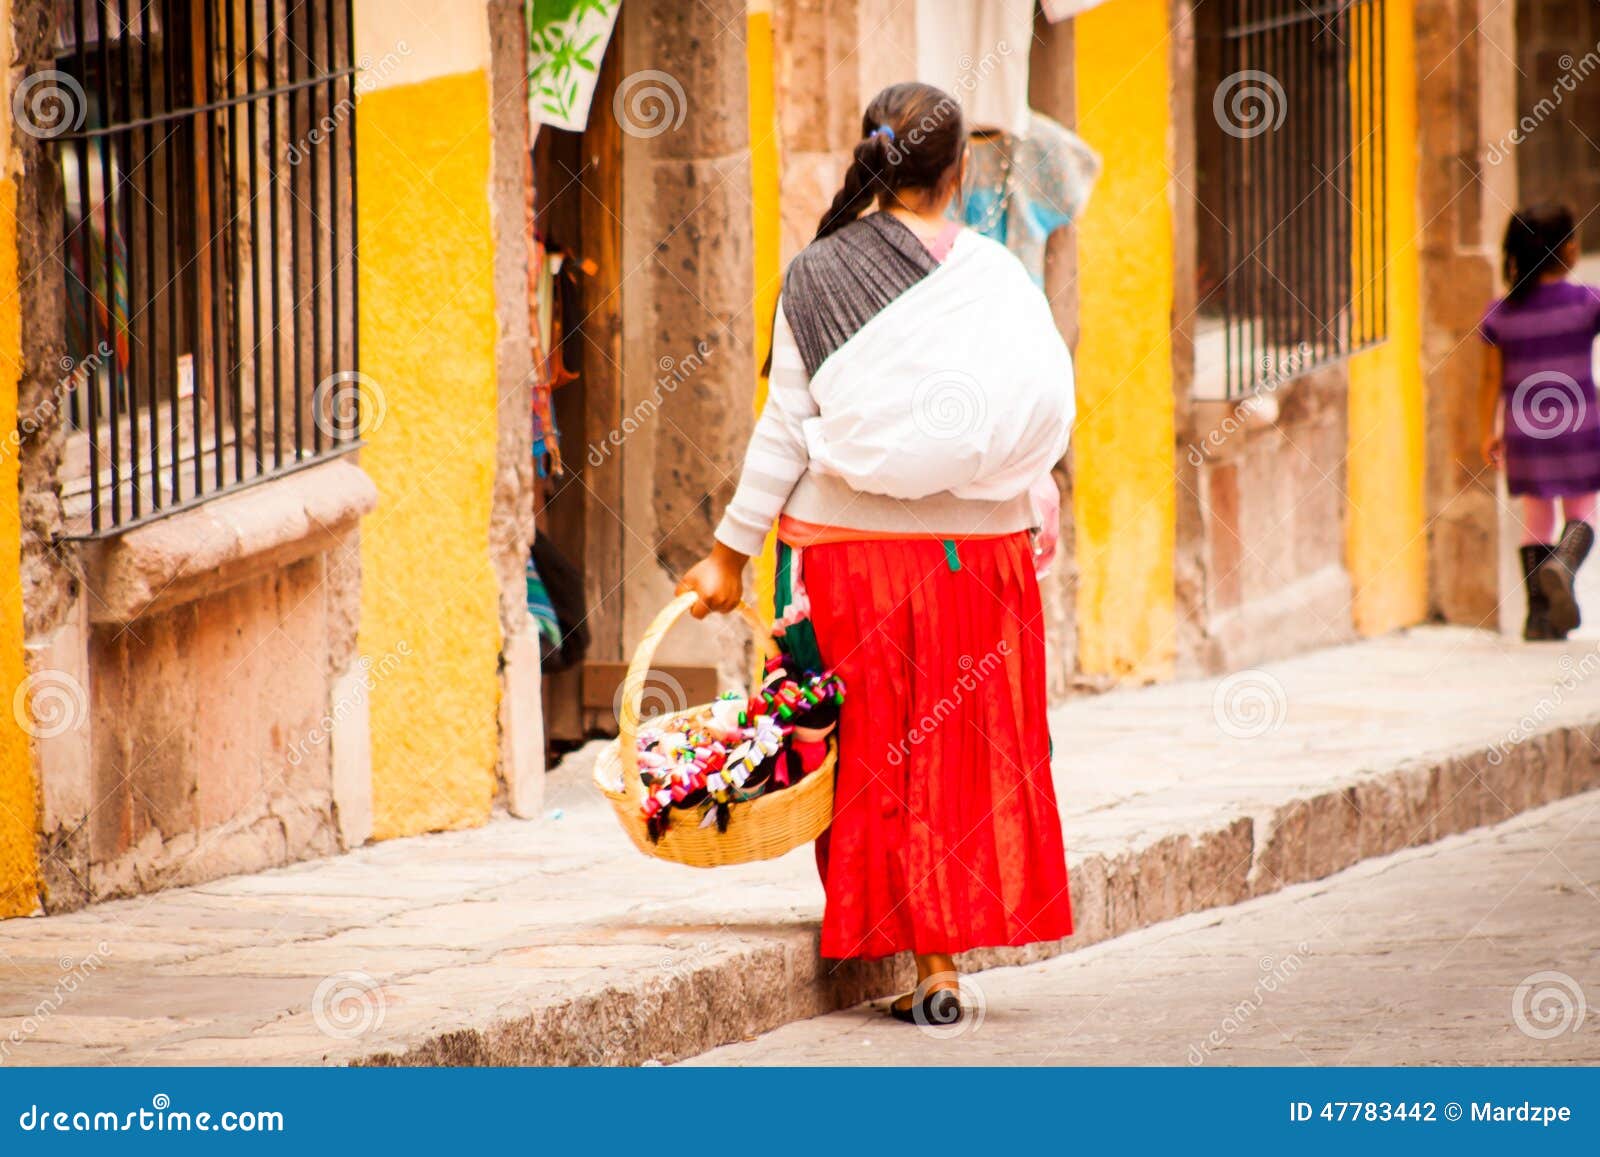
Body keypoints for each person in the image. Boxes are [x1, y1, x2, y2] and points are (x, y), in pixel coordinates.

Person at [678, 82, 1076, 1026]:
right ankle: (940, 958)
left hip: (852, 560)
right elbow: (1040, 409)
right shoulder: (997, 277)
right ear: (961, 170)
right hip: (976, 561)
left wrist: (729, 555)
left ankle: (902, 935)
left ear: (870, 155)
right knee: (957, 749)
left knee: (871, 750)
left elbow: (785, 428)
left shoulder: (816, 273)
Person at [1480, 204, 1600, 640]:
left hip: (1524, 430)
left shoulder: (1502, 313)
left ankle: (1539, 620)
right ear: (1568, 250)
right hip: (1580, 425)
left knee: (1536, 517)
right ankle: (1563, 565)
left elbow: (1490, 379)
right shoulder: (1588, 302)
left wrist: (1487, 431)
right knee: (1582, 511)